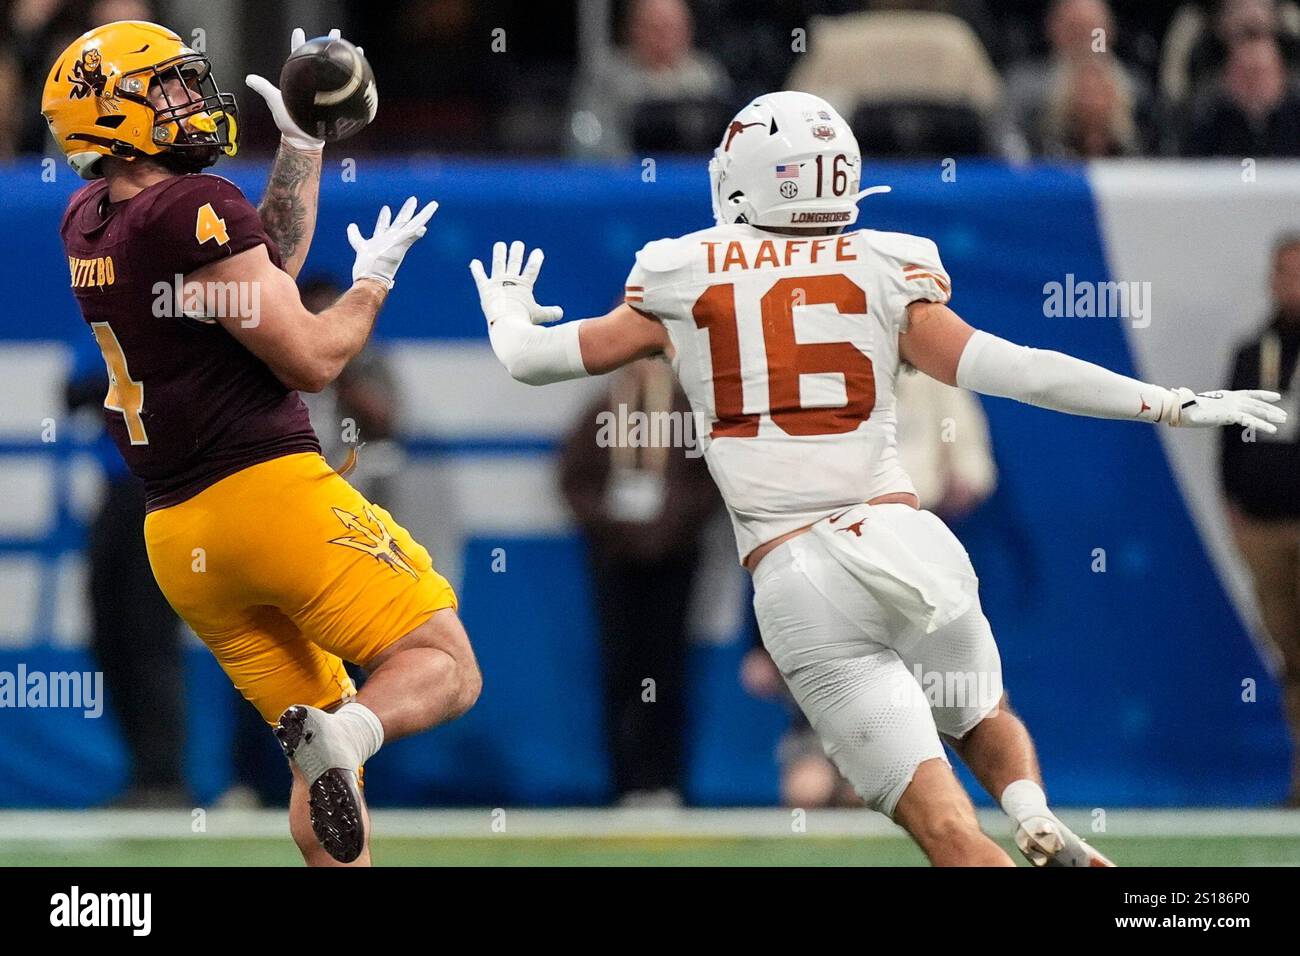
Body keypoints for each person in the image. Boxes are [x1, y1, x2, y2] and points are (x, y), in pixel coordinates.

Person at [468, 91, 1287, 866]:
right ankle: (1032, 809)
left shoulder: (682, 272)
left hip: (797, 575)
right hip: (905, 542)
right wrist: (1168, 402)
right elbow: (1022, 370)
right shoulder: (886, 265)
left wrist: (508, 310)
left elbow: (532, 361)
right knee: (983, 714)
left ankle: (1004, 832)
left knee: (945, 830)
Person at [43, 20, 479, 866]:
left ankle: (341, 739)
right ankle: (352, 732)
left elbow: (257, 271)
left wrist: (301, 147)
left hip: (180, 535)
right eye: (165, 87)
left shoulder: (88, 217)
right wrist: (371, 284)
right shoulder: (188, 207)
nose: (189, 100)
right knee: (444, 664)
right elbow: (311, 358)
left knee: (321, 755)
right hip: (268, 496)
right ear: (109, 113)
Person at [559, 358, 721, 805]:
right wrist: (616, 528)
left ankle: (666, 781)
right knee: (620, 669)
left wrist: (668, 528)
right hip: (615, 562)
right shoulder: (603, 410)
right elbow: (574, 481)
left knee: (668, 669)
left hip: (673, 560)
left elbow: (710, 482)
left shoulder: (686, 414)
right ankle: (626, 783)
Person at [1221, 233, 1300, 806]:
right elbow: (1229, 439)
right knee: (1291, 657)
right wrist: (1236, 513)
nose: (1290, 286)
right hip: (1267, 530)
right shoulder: (1254, 354)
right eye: (1284, 274)